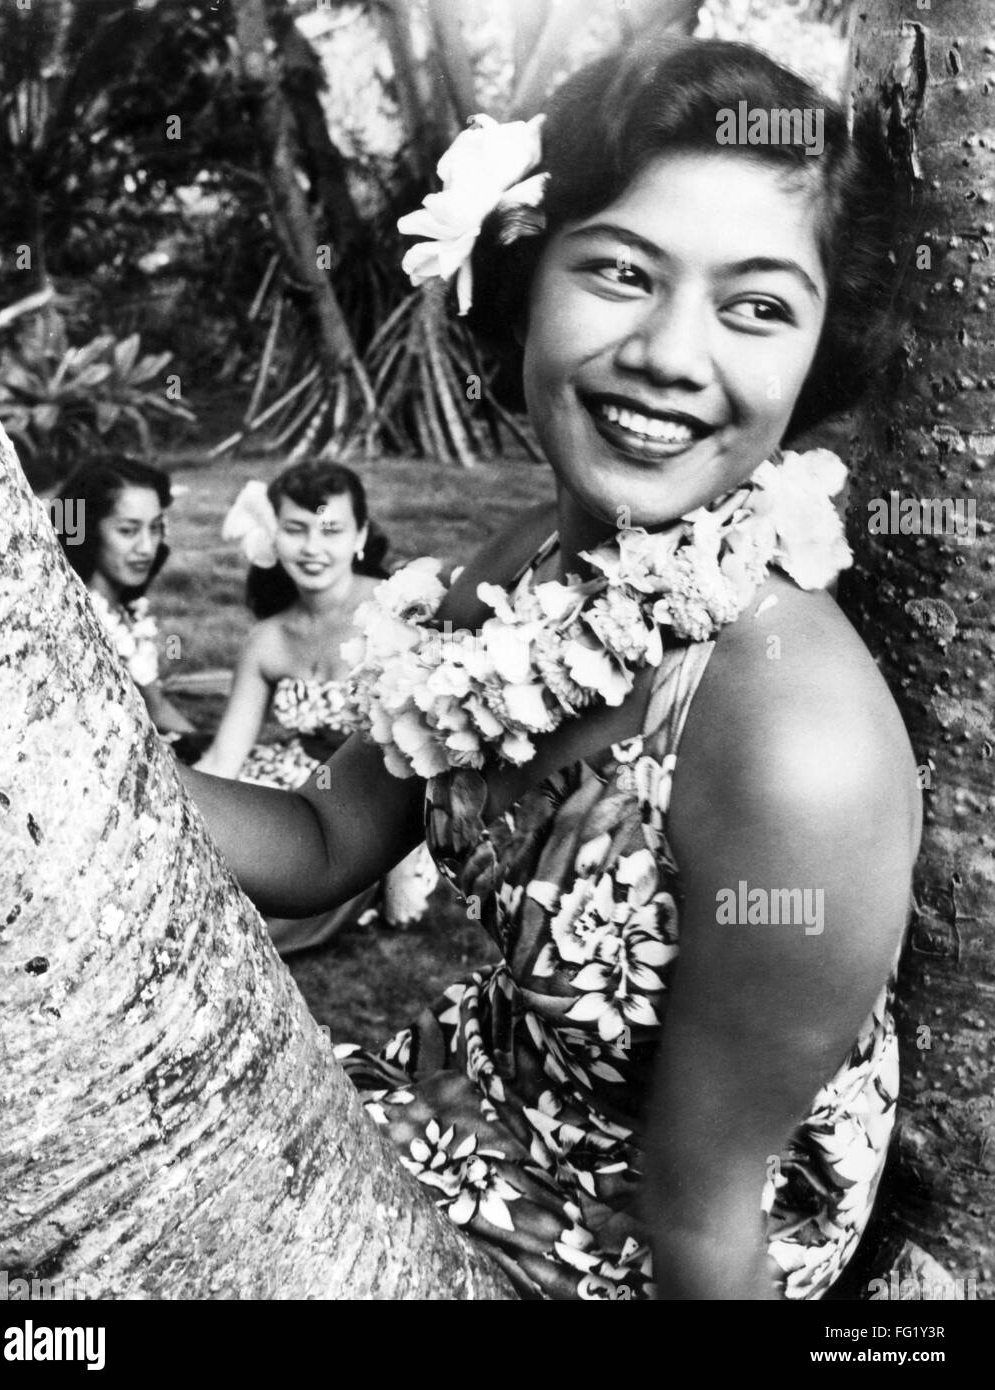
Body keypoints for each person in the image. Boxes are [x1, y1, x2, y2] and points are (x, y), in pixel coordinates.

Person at [181, 36, 920, 1300]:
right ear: (522, 281)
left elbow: (705, 1230)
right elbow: (321, 837)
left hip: (646, 1247)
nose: (671, 357)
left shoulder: (795, 745)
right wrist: (75, 763)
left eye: (754, 305)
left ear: (815, 358)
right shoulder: (518, 569)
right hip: (470, 1099)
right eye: (623, 272)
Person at [196, 461, 437, 951]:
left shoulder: (395, 616)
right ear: (274, 536)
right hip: (290, 778)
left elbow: (421, 753)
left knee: (296, 881)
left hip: (374, 800)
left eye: (331, 530)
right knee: (220, 853)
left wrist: (399, 876)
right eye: (295, 530)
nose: (311, 548)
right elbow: (225, 757)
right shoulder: (267, 638)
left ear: (359, 536)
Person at [55, 454, 195, 739]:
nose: (146, 547)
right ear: (90, 529)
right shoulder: (83, 617)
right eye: (128, 530)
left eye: (155, 528)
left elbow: (158, 708)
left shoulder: (121, 606)